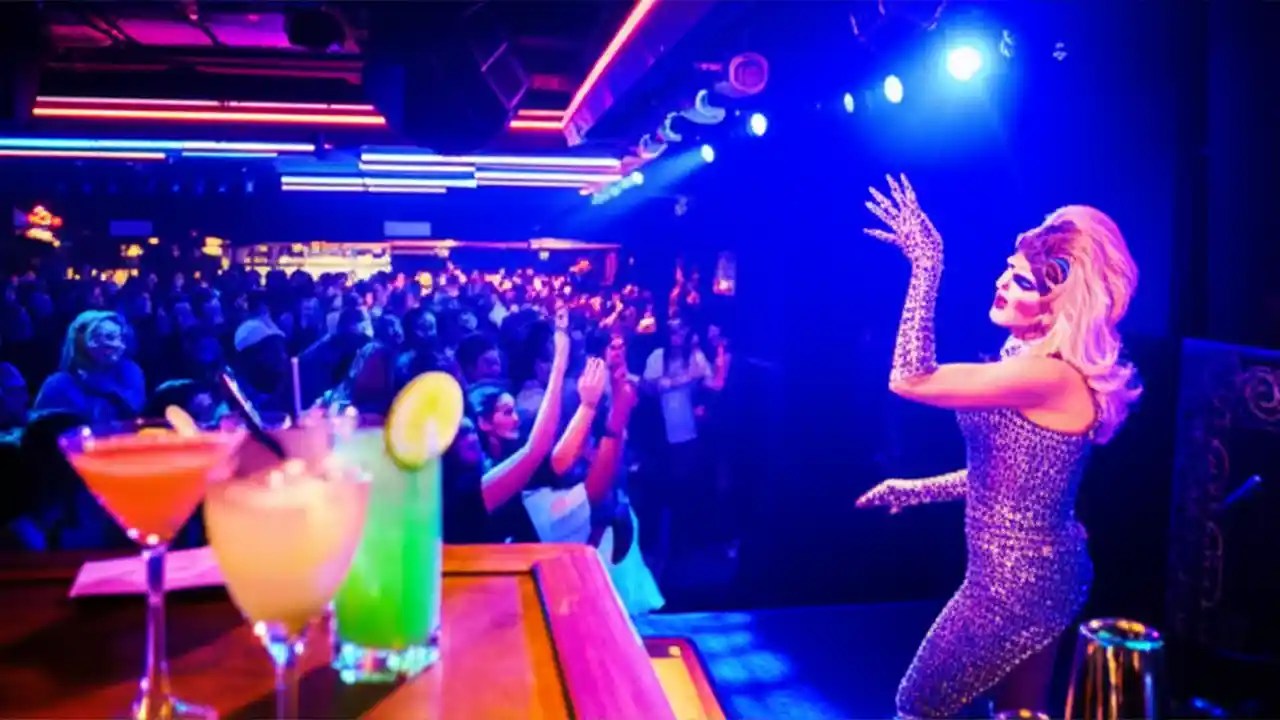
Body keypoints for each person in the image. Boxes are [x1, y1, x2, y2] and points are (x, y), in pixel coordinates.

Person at [855, 175, 1141, 718]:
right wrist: (914, 490)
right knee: (1017, 715)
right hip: (1047, 573)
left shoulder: (1048, 376)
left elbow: (911, 380)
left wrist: (926, 263)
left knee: (915, 704)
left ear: (1059, 305)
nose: (1003, 284)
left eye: (1024, 282)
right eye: (1009, 271)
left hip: (1012, 588)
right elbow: (1008, 484)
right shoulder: (1029, 363)